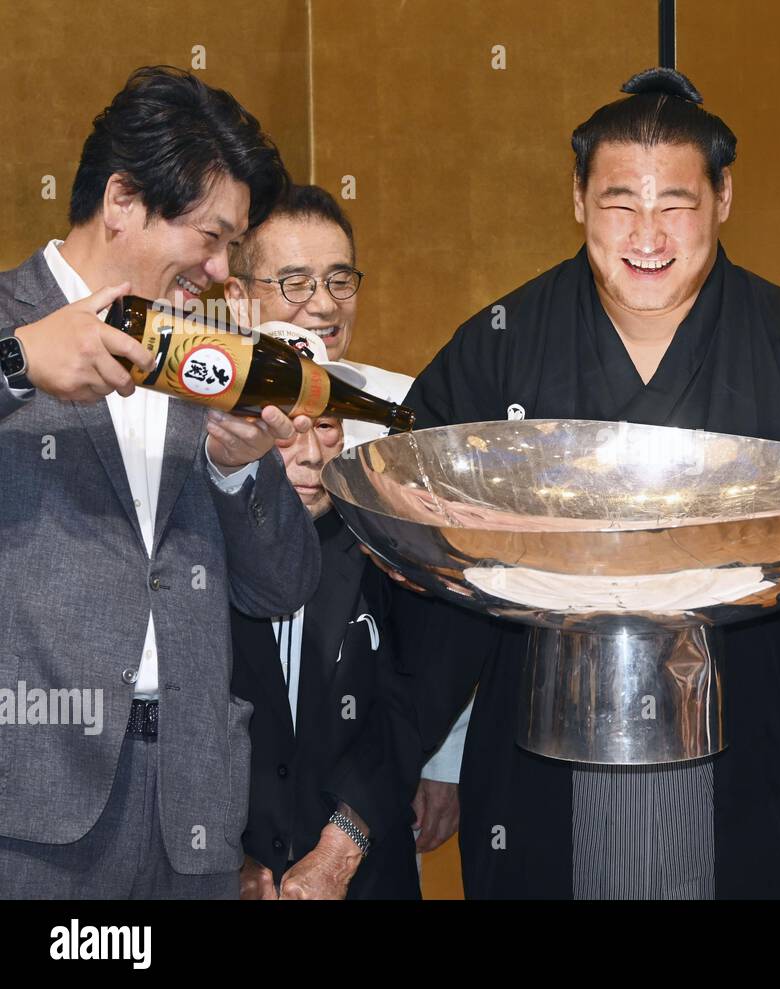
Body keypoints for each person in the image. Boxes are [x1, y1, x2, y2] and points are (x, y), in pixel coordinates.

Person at [391, 68, 780, 899]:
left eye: (675, 203)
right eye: (619, 202)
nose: (648, 233)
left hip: (755, 750)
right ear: (577, 200)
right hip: (541, 753)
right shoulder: (499, 345)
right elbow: (423, 540)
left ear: (722, 199)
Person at [0, 65, 317, 899]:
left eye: (232, 245)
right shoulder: (10, 325)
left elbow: (283, 587)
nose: (221, 271)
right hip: (30, 810)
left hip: (195, 815)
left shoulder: (206, 354)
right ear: (121, 200)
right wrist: (19, 363)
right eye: (210, 236)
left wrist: (236, 465)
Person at [223, 183, 469, 856]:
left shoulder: (403, 412)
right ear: (240, 295)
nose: (325, 303)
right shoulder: (196, 425)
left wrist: (439, 763)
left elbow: (447, 609)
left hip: (372, 775)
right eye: (295, 281)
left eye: (339, 279)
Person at [230, 328, 425, 899]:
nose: (311, 452)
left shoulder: (389, 552)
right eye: (286, 425)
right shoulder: (190, 549)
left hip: (363, 870)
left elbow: (407, 711)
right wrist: (224, 855)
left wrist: (340, 847)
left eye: (327, 423)